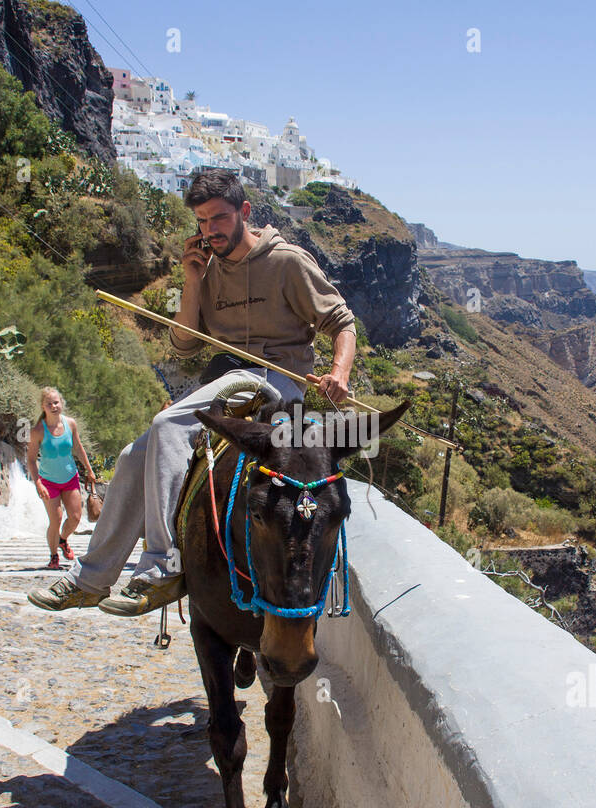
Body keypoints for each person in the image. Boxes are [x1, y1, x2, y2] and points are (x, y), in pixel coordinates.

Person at [28, 169, 356, 615]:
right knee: (131, 456)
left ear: (244, 212)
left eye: (218, 218)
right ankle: (91, 579)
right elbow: (183, 346)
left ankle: (162, 567)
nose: (209, 231)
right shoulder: (209, 268)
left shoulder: (288, 262)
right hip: (223, 375)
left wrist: (339, 372)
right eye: (201, 222)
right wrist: (193, 278)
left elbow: (342, 322)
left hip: (273, 380)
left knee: (167, 423)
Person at [26, 387, 97, 570]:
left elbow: (79, 449)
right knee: (56, 519)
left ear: (61, 403)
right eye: (49, 403)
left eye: (56, 402)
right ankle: (53, 556)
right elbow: (32, 460)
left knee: (75, 517)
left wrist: (89, 470)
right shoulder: (38, 431)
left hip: (70, 477)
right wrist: (38, 483)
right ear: (43, 406)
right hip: (49, 481)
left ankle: (63, 540)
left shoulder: (70, 424)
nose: (53, 406)